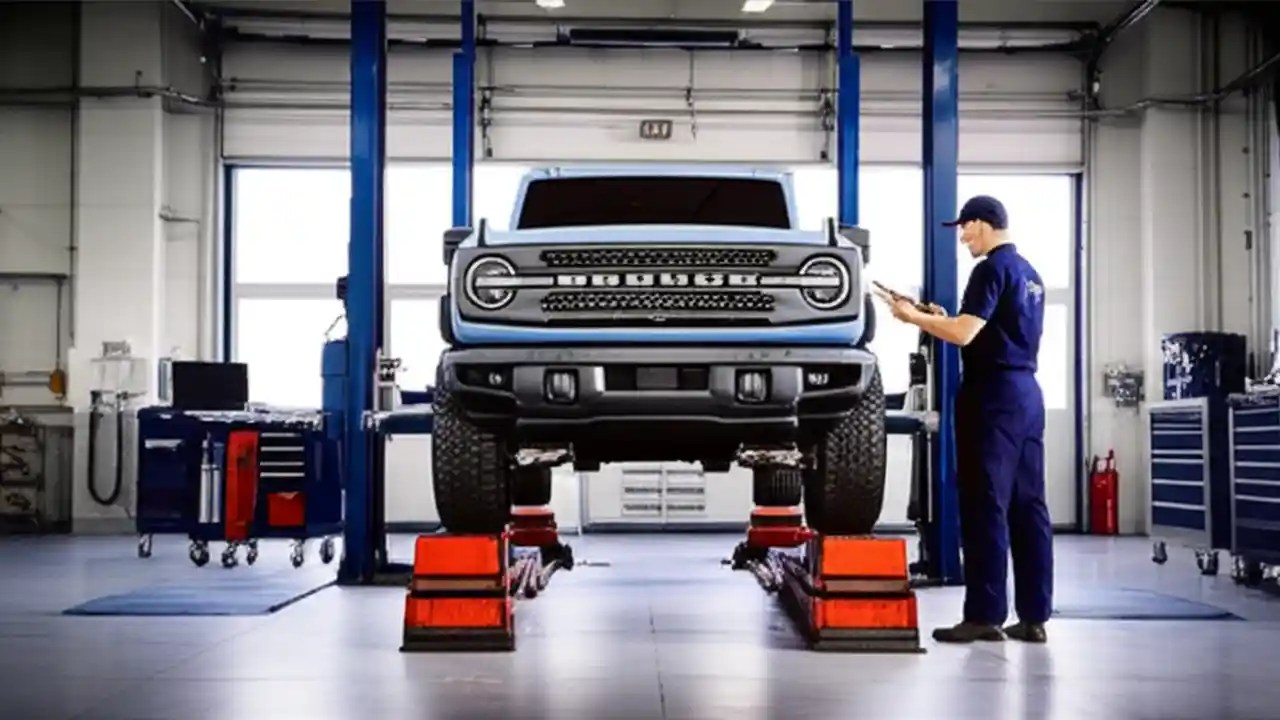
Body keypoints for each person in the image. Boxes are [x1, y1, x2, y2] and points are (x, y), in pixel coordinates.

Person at [873, 195, 1053, 644]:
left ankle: (984, 615)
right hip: (1027, 395)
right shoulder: (1030, 275)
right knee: (1029, 506)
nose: (962, 237)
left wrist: (910, 316)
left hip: (992, 397)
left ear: (984, 223)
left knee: (985, 503)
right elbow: (990, 328)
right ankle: (1034, 617)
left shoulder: (990, 269)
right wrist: (938, 316)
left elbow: (965, 333)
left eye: (965, 228)